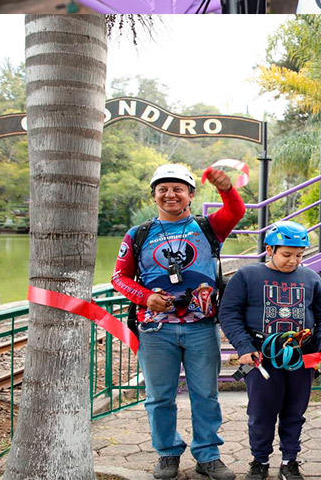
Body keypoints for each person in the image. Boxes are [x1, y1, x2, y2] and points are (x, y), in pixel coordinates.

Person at [111, 163, 245, 480]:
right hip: (155, 329)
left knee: (206, 395)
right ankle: (168, 453)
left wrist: (226, 188)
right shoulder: (139, 234)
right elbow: (119, 277)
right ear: (154, 196)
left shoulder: (209, 227)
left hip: (201, 327)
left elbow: (236, 211)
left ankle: (208, 455)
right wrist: (145, 298)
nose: (170, 195)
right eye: (163, 190)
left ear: (190, 194)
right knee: (159, 397)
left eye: (177, 189)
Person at [217, 222, 321, 480]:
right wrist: (244, 346)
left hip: (301, 357)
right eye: (287, 254)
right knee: (261, 413)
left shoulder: (311, 278)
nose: (293, 261)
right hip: (261, 358)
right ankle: (259, 461)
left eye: (299, 255)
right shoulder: (247, 276)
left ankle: (289, 461)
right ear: (269, 249)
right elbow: (228, 313)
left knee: (295, 412)